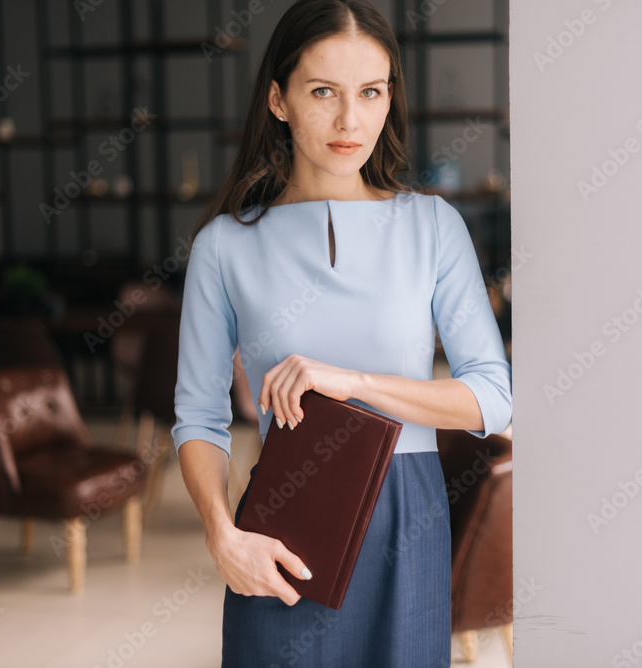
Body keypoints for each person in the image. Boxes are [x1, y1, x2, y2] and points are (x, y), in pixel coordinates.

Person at [171, 0, 513, 665]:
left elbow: (493, 398)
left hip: (407, 522)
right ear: (278, 99)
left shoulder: (431, 228)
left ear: (390, 99)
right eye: (323, 91)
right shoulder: (224, 246)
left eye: (371, 92)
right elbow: (198, 417)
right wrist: (222, 534)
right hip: (283, 526)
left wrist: (351, 381)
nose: (349, 119)